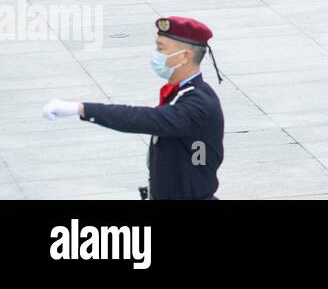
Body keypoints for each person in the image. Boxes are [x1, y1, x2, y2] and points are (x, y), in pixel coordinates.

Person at [41, 16, 224, 200]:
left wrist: (81, 108)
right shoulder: (184, 93)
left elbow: (140, 118)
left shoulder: (198, 104)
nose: (156, 54)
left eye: (161, 49)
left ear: (184, 56)